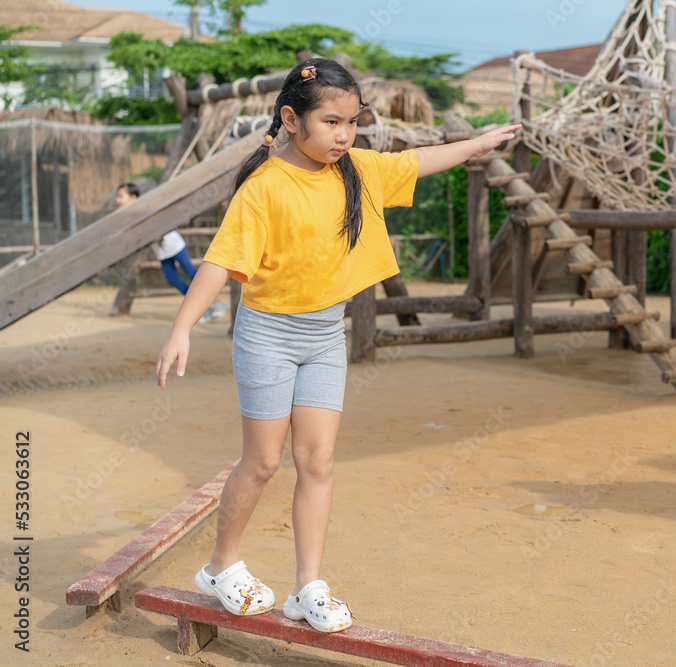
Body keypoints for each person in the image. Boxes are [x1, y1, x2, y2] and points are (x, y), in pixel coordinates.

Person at [155, 58, 519, 633]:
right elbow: (220, 261)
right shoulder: (265, 186)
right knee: (264, 461)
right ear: (291, 120)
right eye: (331, 122)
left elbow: (418, 162)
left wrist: (478, 142)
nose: (344, 134)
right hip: (269, 335)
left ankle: (308, 587)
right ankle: (220, 566)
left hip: (325, 334)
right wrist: (181, 328)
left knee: (318, 461)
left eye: (352, 122)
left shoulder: (357, 169)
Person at [117, 183, 226, 321]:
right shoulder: (126, 217)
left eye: (121, 196)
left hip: (172, 243)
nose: (118, 200)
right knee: (172, 279)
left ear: (133, 197)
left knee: (191, 272)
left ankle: (218, 302)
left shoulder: (142, 209)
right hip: (161, 250)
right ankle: (200, 305)